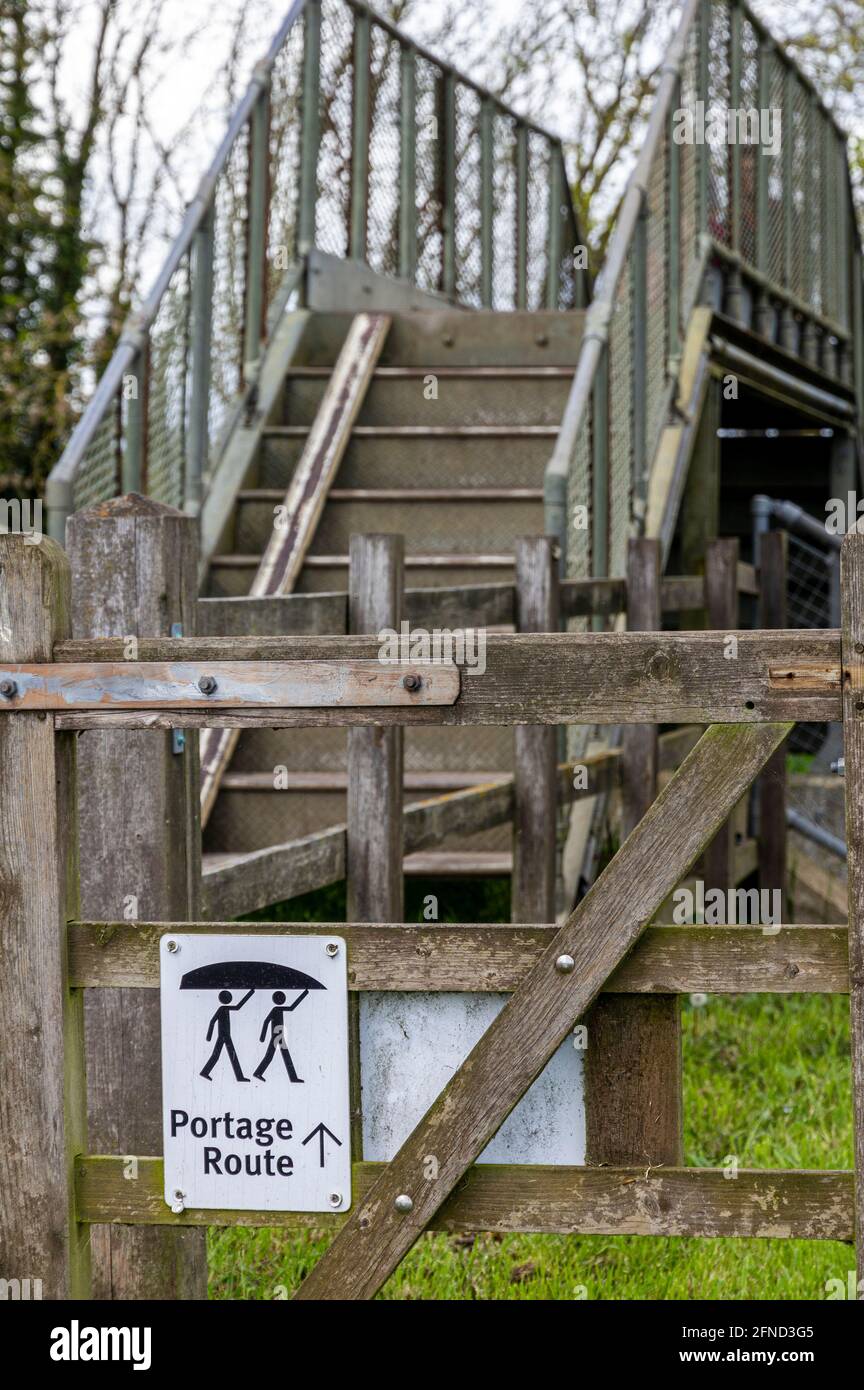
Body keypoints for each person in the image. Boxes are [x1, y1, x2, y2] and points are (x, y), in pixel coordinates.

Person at [254, 989, 309, 1083]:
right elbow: (266, 1021)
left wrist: (304, 994)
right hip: (277, 1035)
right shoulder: (275, 1010)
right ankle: (259, 1073)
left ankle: (259, 1072)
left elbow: (292, 1007)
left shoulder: (278, 1009)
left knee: (276, 1056)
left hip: (279, 1035)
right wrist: (262, 1037)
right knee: (278, 1056)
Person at [200, 988, 254, 1081]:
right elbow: (212, 1021)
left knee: (223, 1055)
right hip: (223, 1036)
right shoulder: (222, 1009)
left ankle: (206, 1072)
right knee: (223, 1056)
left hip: (225, 1035)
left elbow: (238, 1007)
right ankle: (205, 1072)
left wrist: (250, 993)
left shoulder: (224, 1008)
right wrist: (209, 1036)